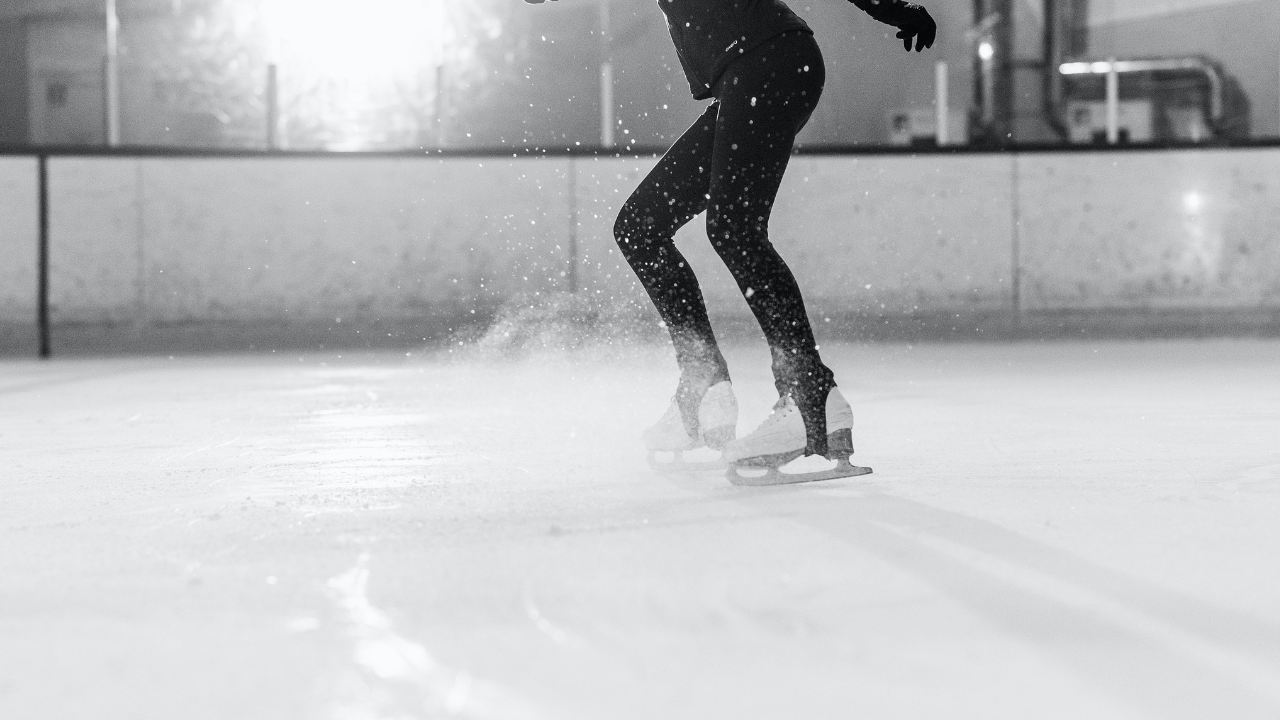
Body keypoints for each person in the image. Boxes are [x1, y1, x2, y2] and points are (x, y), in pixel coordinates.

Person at [526, 0, 935, 484]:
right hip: (756, 69)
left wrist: (890, 8)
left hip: (767, 62)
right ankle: (702, 383)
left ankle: (809, 396)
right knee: (640, 227)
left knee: (734, 229)